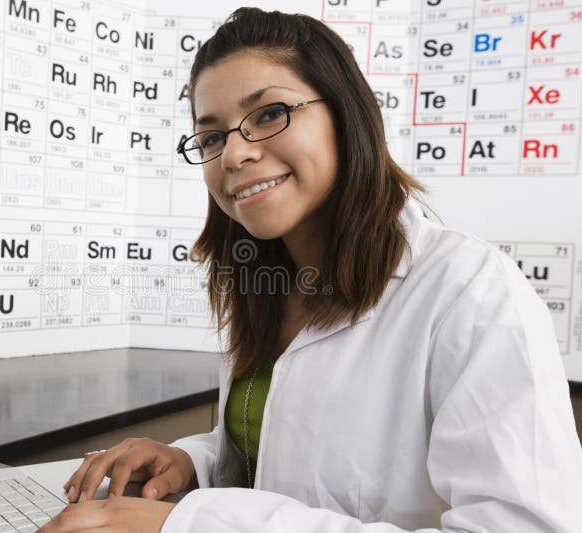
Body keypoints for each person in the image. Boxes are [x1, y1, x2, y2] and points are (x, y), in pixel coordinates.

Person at [38, 7, 582, 533]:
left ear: (347, 115)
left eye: (270, 113)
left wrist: (194, 522)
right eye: (211, 137)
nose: (233, 155)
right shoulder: (263, 284)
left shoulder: (471, 292)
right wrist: (191, 461)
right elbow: (282, 459)